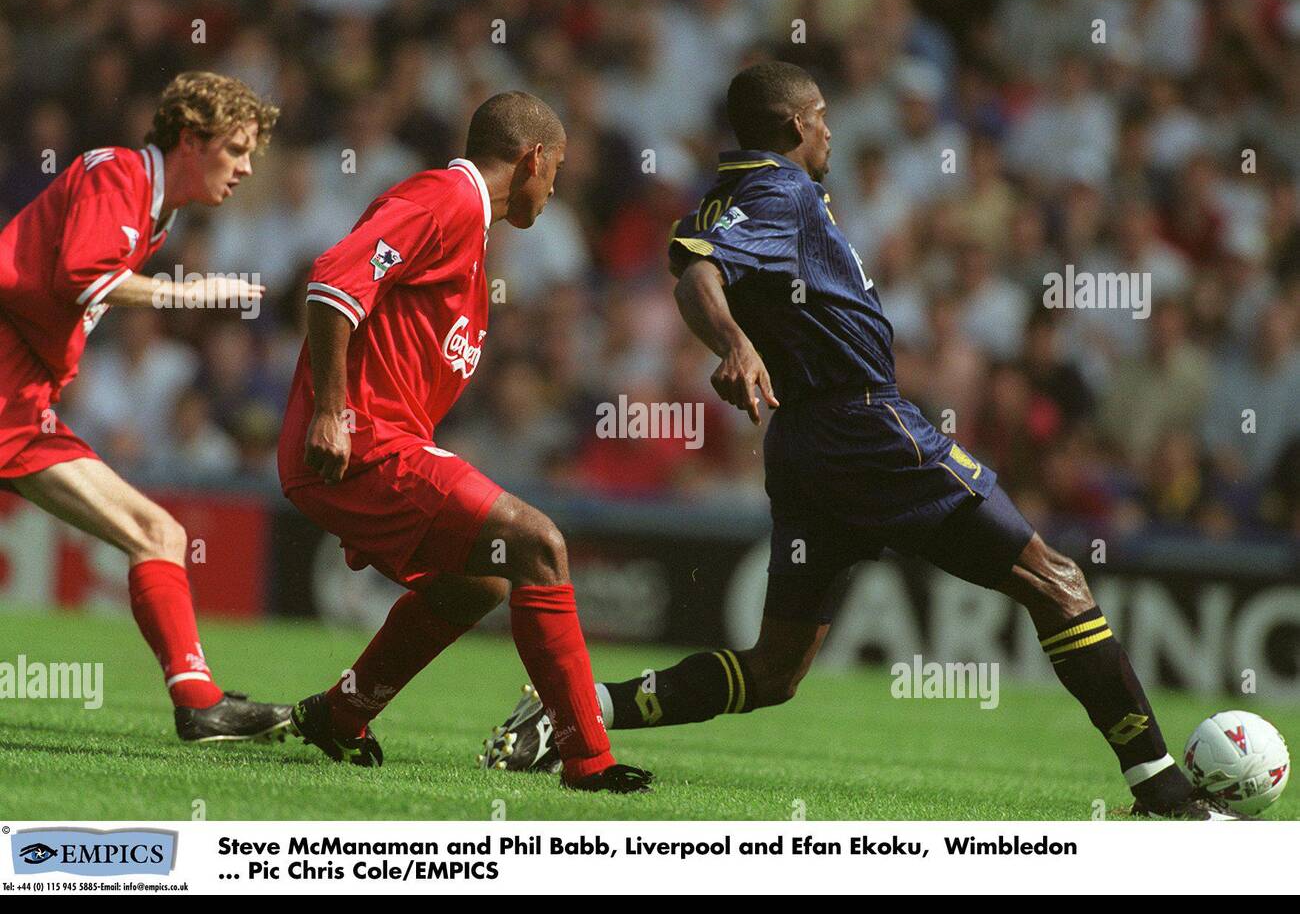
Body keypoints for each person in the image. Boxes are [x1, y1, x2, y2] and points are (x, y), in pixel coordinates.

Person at [481, 63, 1236, 819]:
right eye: (822, 117)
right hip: (866, 427)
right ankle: (1163, 792)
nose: (832, 131)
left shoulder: (728, 193)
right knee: (1057, 582)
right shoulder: (783, 190)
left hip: (808, 441)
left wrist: (737, 337)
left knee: (776, 672)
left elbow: (692, 262)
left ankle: (574, 710)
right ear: (793, 128)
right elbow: (698, 276)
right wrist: (736, 345)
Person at [277, 91, 650, 794]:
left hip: (381, 444)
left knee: (481, 578)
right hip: (356, 439)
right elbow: (331, 282)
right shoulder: (447, 198)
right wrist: (333, 412)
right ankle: (588, 761)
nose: (555, 186)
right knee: (539, 543)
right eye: (558, 169)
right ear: (533, 158)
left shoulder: (470, 232)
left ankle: (339, 716)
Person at [0, 71, 290, 742]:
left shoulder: (153, 210)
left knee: (157, 534)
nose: (247, 168)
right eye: (238, 149)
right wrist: (191, 293)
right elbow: (82, 275)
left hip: (21, 398)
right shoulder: (119, 173)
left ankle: (199, 702)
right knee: (156, 531)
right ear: (192, 139)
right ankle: (199, 705)